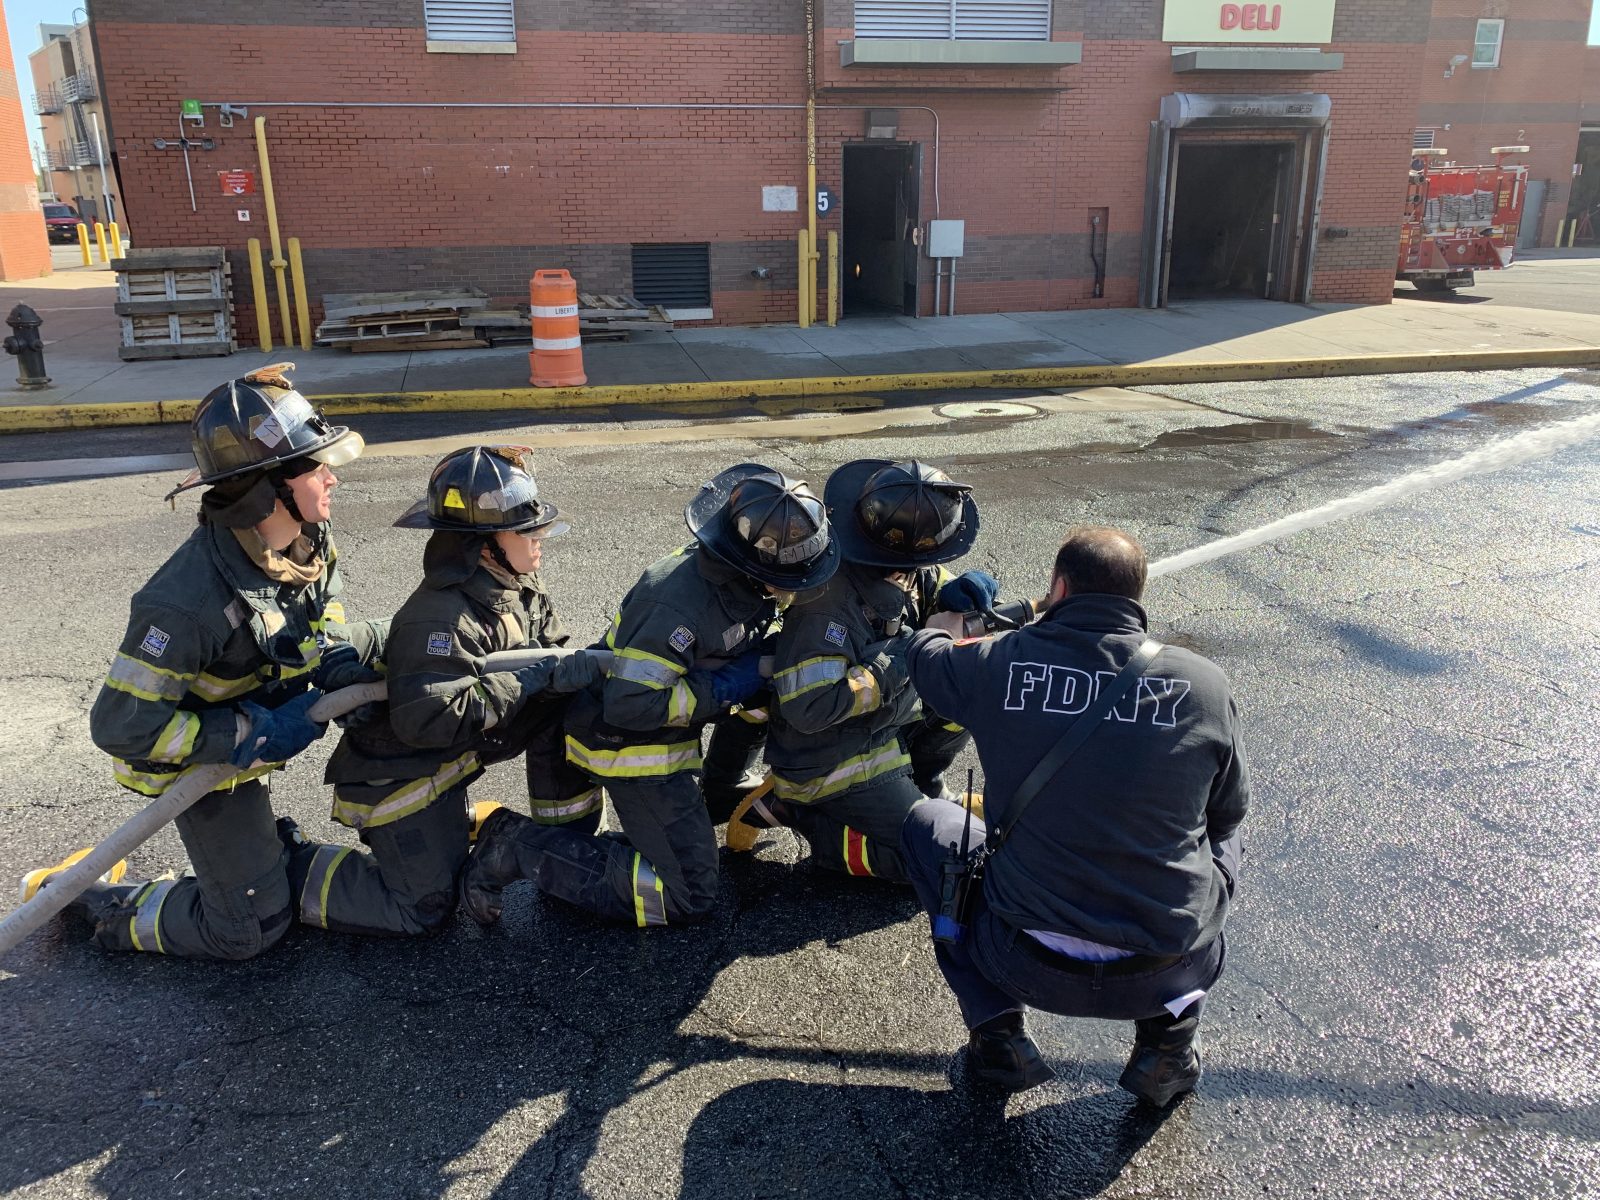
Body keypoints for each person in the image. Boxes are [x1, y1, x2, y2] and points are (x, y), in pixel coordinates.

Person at [19, 364, 381, 960]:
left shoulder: (306, 536)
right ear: (268, 485)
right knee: (245, 933)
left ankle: (266, 849)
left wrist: (336, 659)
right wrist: (250, 731)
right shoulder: (186, 604)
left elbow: (327, 602)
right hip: (197, 763)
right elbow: (120, 728)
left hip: (257, 712)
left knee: (392, 642)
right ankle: (86, 899)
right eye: (315, 465)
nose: (331, 476)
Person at [899, 526, 1248, 1104]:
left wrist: (945, 624)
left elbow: (926, 653)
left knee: (928, 823)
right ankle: (1168, 1047)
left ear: (1057, 588)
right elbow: (1228, 813)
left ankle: (999, 1039)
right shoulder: (1204, 684)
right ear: (1138, 599)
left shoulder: (999, 663)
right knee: (1225, 839)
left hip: (1025, 961)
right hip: (1165, 965)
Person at [462, 464, 839, 928]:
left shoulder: (737, 568)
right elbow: (632, 705)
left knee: (597, 852)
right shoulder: (676, 606)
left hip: (631, 727)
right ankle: (513, 842)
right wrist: (728, 684)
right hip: (626, 743)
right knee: (689, 893)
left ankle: (552, 844)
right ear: (752, 564)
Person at [315, 446, 599, 937]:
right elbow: (427, 721)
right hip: (402, 778)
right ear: (483, 545)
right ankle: (286, 870)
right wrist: (525, 680)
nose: (540, 540)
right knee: (424, 909)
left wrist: (553, 678)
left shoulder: (515, 584)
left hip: (456, 757)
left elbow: (547, 656)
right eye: (527, 530)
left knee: (573, 701)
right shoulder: (441, 618)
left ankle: (554, 839)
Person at [727, 459, 990, 880]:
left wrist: (956, 596)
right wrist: (908, 650)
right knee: (943, 868)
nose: (929, 566)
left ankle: (926, 793)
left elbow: (925, 581)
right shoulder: (825, 608)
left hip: (882, 725)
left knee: (971, 685)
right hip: (833, 762)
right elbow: (810, 707)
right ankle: (805, 816)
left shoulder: (897, 566)